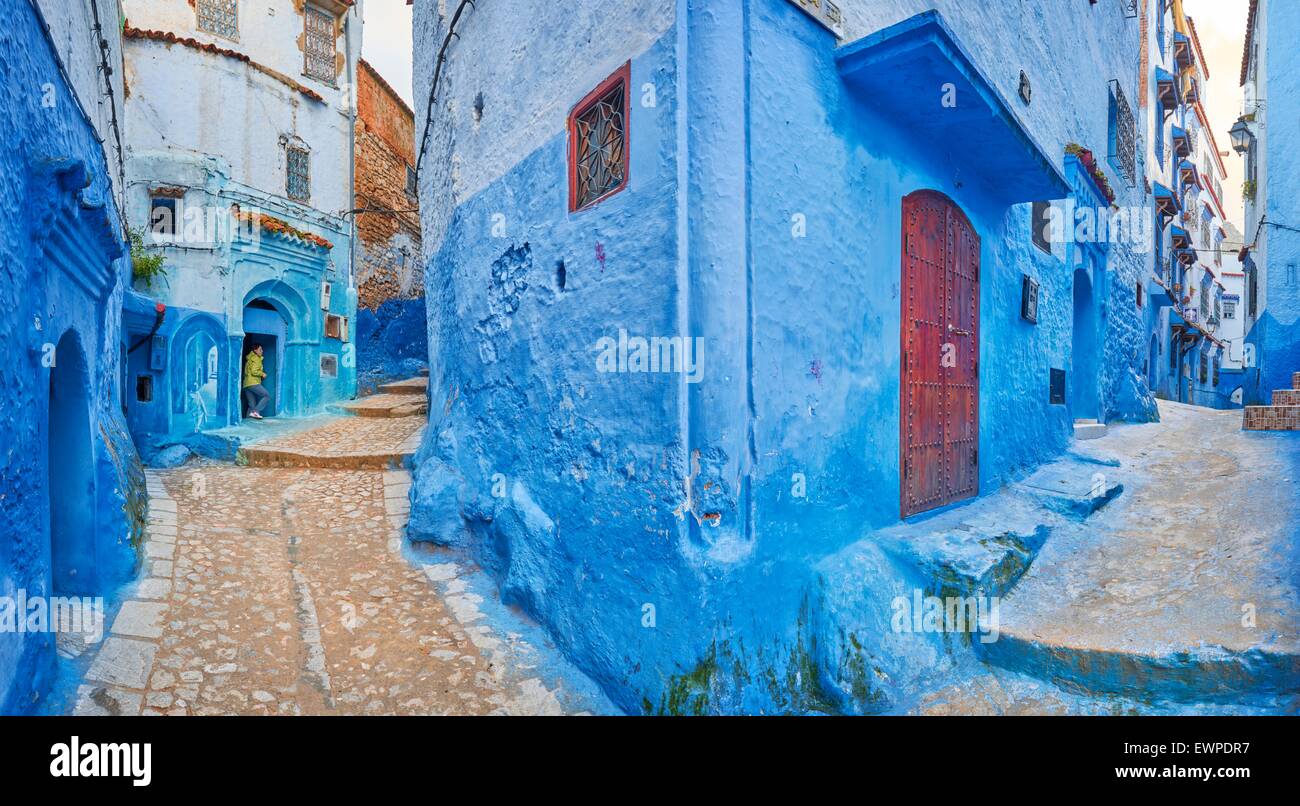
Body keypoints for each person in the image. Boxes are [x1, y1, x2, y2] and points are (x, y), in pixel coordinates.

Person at [242, 344, 271, 419]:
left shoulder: (250, 358)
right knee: (267, 396)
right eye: (260, 349)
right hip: (253, 383)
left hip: (246, 384)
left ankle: (248, 421)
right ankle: (256, 411)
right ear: (255, 350)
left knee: (252, 405)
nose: (262, 351)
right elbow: (254, 371)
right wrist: (262, 374)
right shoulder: (256, 358)